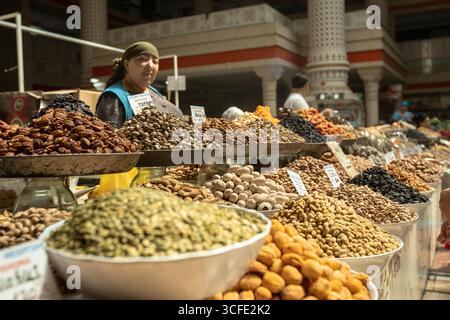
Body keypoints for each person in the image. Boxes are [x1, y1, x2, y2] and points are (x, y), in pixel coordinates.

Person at [96, 41, 182, 128]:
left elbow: (174, 115)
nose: (150, 66)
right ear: (126, 65)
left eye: (155, 61)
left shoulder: (154, 92)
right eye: (142, 59)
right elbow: (109, 137)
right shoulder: (112, 98)